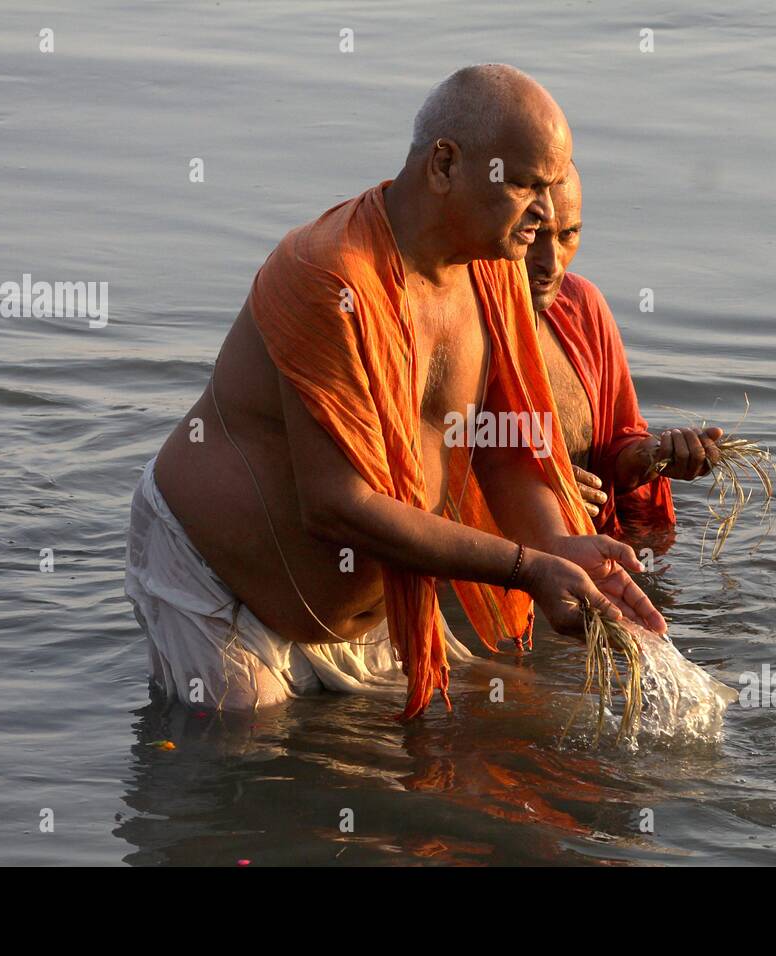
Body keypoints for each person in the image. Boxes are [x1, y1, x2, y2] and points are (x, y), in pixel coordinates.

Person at [124, 65, 664, 720]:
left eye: (551, 187)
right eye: (524, 185)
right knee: (238, 764)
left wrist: (558, 545)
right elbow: (335, 505)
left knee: (510, 739)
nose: (545, 214)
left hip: (373, 610)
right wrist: (525, 568)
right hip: (214, 585)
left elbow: (501, 452)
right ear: (444, 164)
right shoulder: (331, 277)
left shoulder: (495, 270)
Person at [525, 163, 725, 539]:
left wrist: (656, 456)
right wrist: (530, 495)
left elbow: (617, 445)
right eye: (534, 235)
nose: (551, 263)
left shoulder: (581, 304)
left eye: (568, 235)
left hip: (589, 556)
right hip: (490, 569)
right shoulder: (448, 324)